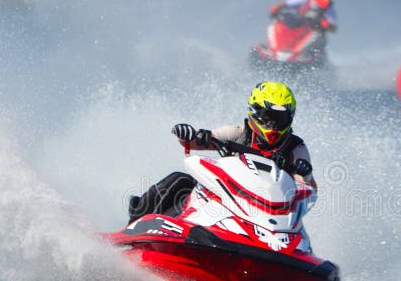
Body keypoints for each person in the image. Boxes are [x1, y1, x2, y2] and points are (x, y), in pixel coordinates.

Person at [127, 82, 315, 224]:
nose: (273, 125)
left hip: (269, 213)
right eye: (268, 117)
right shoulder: (238, 133)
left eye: (279, 119)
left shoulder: (296, 148)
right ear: (255, 112)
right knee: (180, 180)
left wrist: (305, 175)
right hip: (228, 197)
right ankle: (135, 222)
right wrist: (187, 134)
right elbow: (197, 141)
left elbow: (308, 190)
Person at [267, 0, 337, 64]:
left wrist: (326, 24)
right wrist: (275, 9)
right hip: (298, 30)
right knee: (278, 25)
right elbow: (284, 4)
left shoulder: (329, 8)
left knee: (317, 37)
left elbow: (333, 27)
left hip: (315, 37)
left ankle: (315, 63)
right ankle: (278, 52)